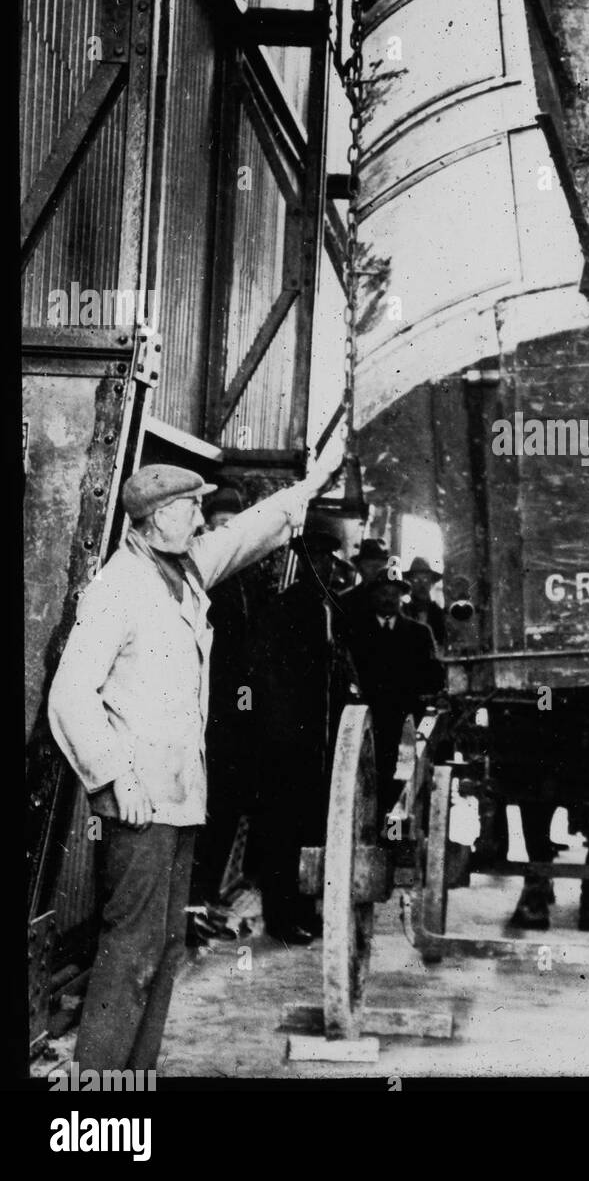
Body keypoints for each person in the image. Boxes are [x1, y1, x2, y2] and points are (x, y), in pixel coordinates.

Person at [48, 460, 336, 1073]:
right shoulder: (118, 589)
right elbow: (70, 694)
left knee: (165, 944)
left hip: (179, 797)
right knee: (130, 949)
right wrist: (113, 777)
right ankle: (99, 1101)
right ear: (153, 521)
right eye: (187, 510)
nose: (200, 518)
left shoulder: (182, 572)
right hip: (139, 801)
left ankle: (134, 1084)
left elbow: (239, 537)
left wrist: (303, 492)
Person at [248, 515, 357, 944]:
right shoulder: (285, 608)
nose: (324, 567)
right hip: (288, 744)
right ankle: (281, 916)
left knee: (313, 828)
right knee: (283, 833)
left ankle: (305, 908)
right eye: (315, 559)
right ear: (303, 562)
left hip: (320, 743)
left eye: (328, 560)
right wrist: (281, 733)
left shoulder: (330, 606)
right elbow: (268, 678)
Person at [187, 486, 256, 946]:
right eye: (215, 525)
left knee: (224, 810)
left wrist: (247, 713)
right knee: (196, 813)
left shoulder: (247, 583)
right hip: (198, 718)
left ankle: (206, 897)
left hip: (230, 723)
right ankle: (191, 904)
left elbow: (248, 664)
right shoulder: (197, 581)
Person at [343, 573, 445, 821]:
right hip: (369, 718)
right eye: (382, 593)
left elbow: (433, 677)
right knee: (369, 776)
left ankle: (393, 835)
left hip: (406, 718)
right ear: (373, 597)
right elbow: (348, 672)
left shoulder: (419, 633)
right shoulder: (357, 633)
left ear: (401, 597)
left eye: (393, 594)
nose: (388, 599)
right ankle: (370, 829)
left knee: (402, 781)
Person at [403, 556, 447, 648]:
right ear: (410, 582)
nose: (422, 584)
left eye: (425, 579)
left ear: (431, 583)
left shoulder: (438, 613)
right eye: (416, 580)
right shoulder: (403, 611)